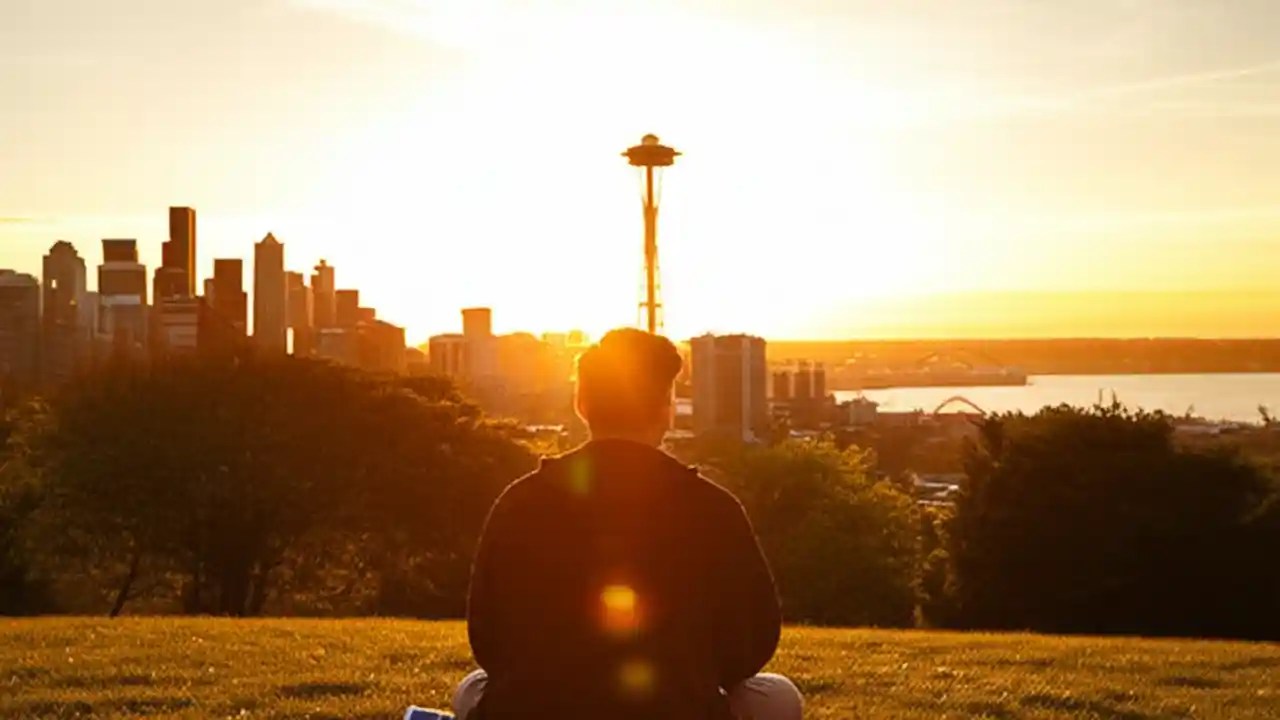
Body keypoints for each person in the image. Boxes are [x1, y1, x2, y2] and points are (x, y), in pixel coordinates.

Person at [453, 329, 802, 720]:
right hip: (675, 710)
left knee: (470, 688)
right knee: (779, 697)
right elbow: (753, 642)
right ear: (665, 408)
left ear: (581, 403)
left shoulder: (518, 502)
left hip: (532, 710)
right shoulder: (715, 509)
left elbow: (487, 641)